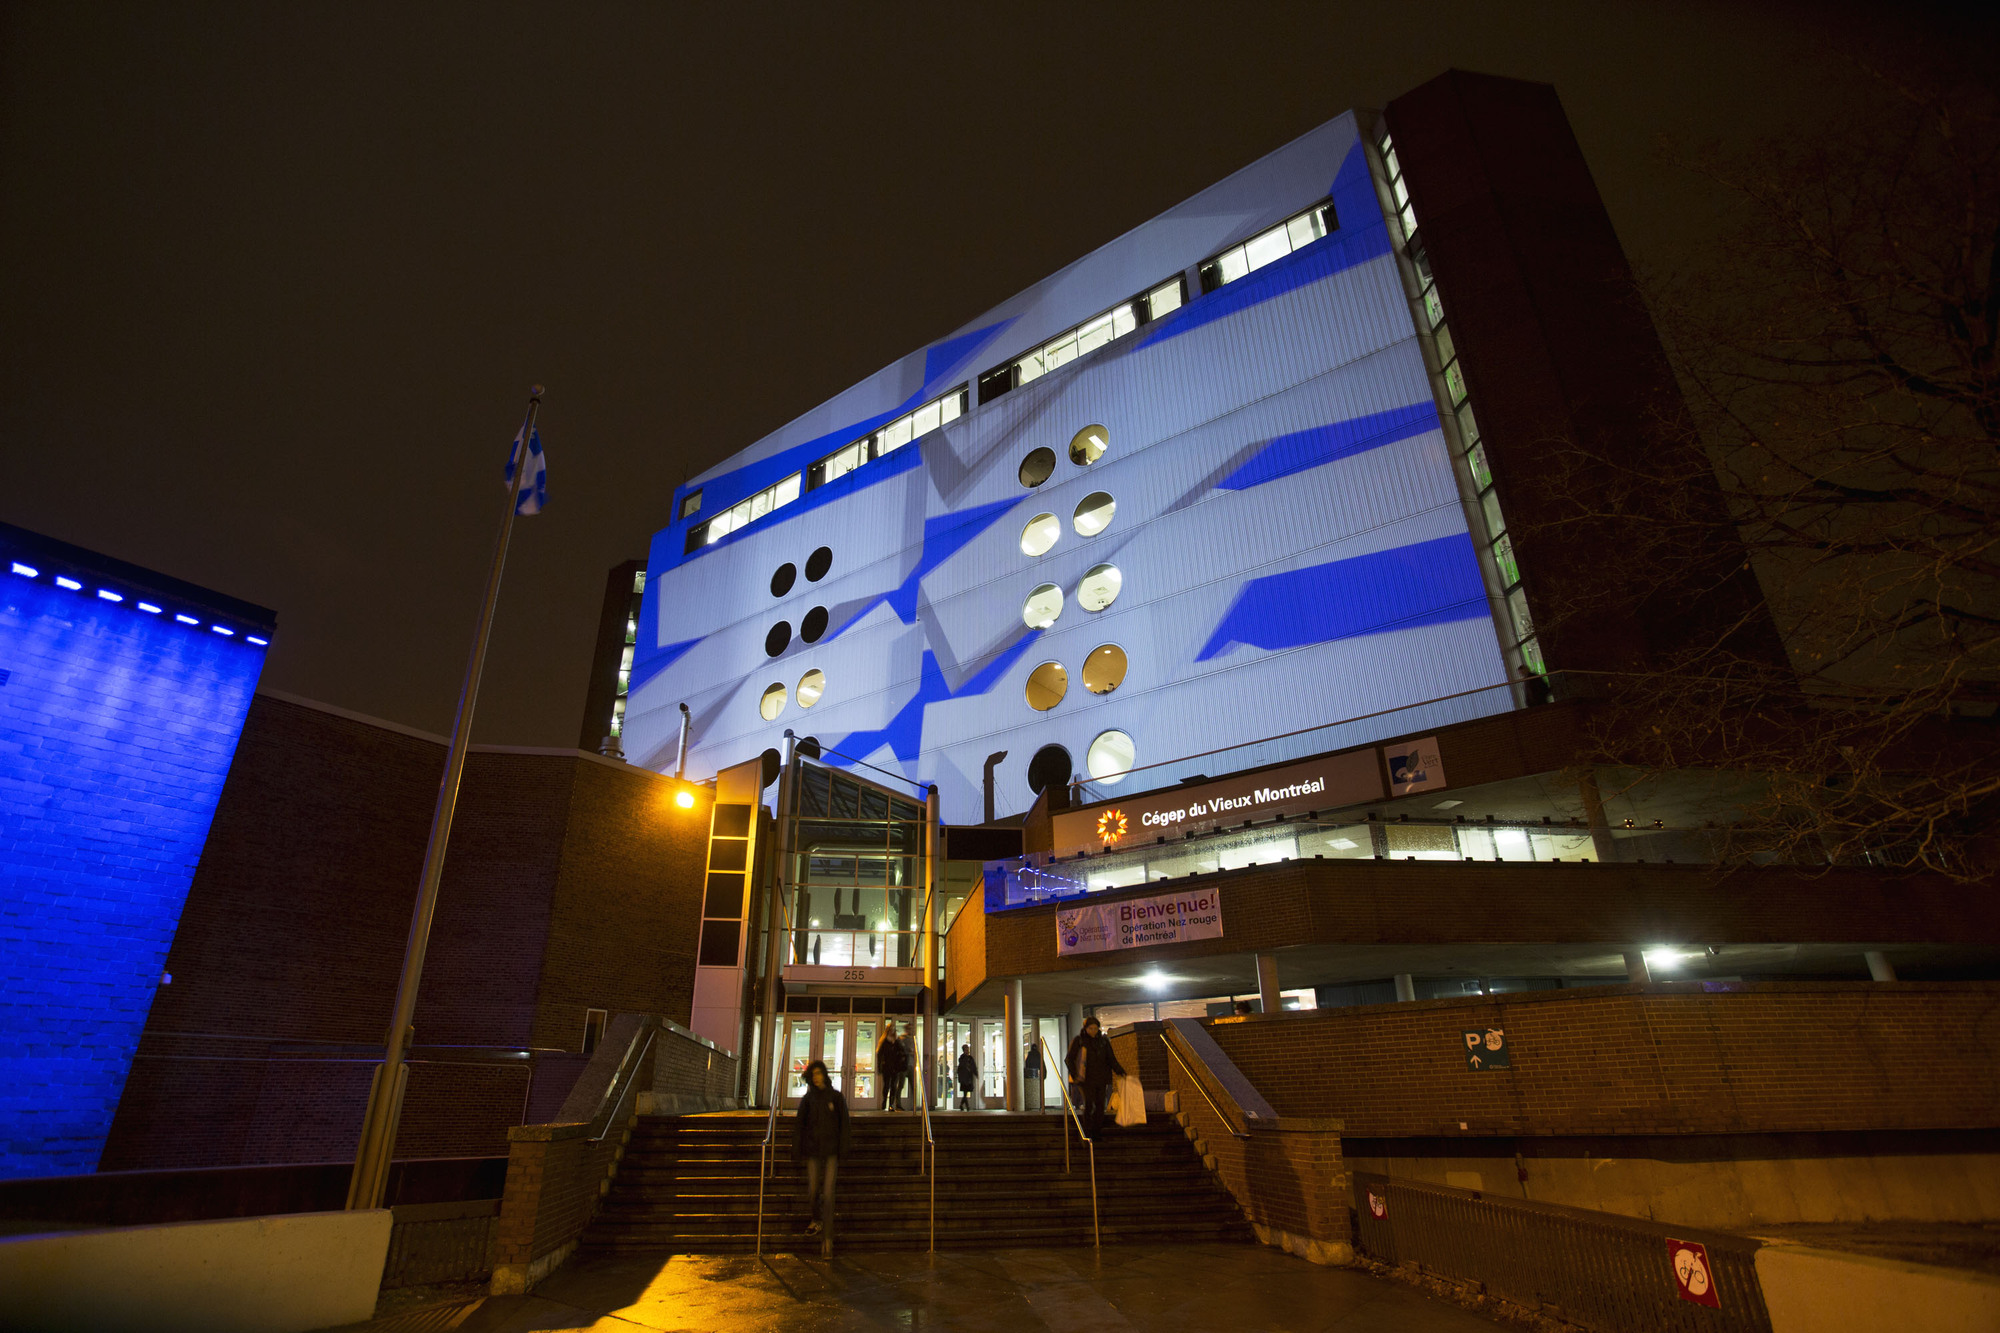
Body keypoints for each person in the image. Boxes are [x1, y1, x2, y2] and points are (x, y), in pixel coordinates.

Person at [794, 1059, 850, 1255]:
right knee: (813, 1191)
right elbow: (799, 1125)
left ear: (824, 1075)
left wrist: (843, 1148)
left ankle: (827, 1236)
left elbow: (844, 1124)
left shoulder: (835, 1097)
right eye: (814, 1074)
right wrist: (797, 1149)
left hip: (831, 1151)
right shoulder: (808, 1100)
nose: (817, 1077)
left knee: (827, 1193)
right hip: (813, 1151)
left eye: (819, 1073)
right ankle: (816, 1219)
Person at [1065, 1015, 1125, 1137]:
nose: (1093, 1031)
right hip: (1085, 1079)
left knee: (1099, 1105)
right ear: (1085, 1028)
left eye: (1095, 1028)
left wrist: (1120, 1071)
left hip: (1101, 1078)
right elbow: (1069, 1059)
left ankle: (1096, 1132)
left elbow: (1111, 1059)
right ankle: (1088, 1132)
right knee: (1089, 1104)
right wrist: (1075, 1074)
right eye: (1090, 1028)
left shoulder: (1103, 1042)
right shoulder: (1080, 1041)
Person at [877, 1020, 907, 1111]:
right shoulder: (884, 1042)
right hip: (887, 1067)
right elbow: (880, 1054)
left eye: (893, 1030)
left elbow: (903, 1053)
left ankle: (891, 1104)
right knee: (886, 1085)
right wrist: (880, 1067)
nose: (892, 1031)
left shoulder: (897, 1041)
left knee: (894, 1086)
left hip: (895, 1067)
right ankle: (884, 1102)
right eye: (890, 1030)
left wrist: (902, 1064)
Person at [1023, 1036, 1046, 1111]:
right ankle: (1039, 1104)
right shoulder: (1039, 1056)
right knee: (1038, 1091)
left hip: (1030, 1077)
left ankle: (1033, 1104)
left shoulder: (1029, 1056)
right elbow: (1042, 1065)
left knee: (1032, 1091)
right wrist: (1043, 1075)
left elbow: (1027, 1065)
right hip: (1037, 1077)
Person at [955, 1043, 978, 1111]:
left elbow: (973, 1067)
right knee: (965, 1092)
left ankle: (962, 1105)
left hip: (968, 1077)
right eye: (966, 1049)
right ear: (964, 1050)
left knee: (965, 1092)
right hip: (964, 1078)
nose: (967, 1050)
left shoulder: (970, 1058)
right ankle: (966, 1106)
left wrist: (975, 1073)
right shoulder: (962, 1058)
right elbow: (962, 1067)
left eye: (968, 1049)